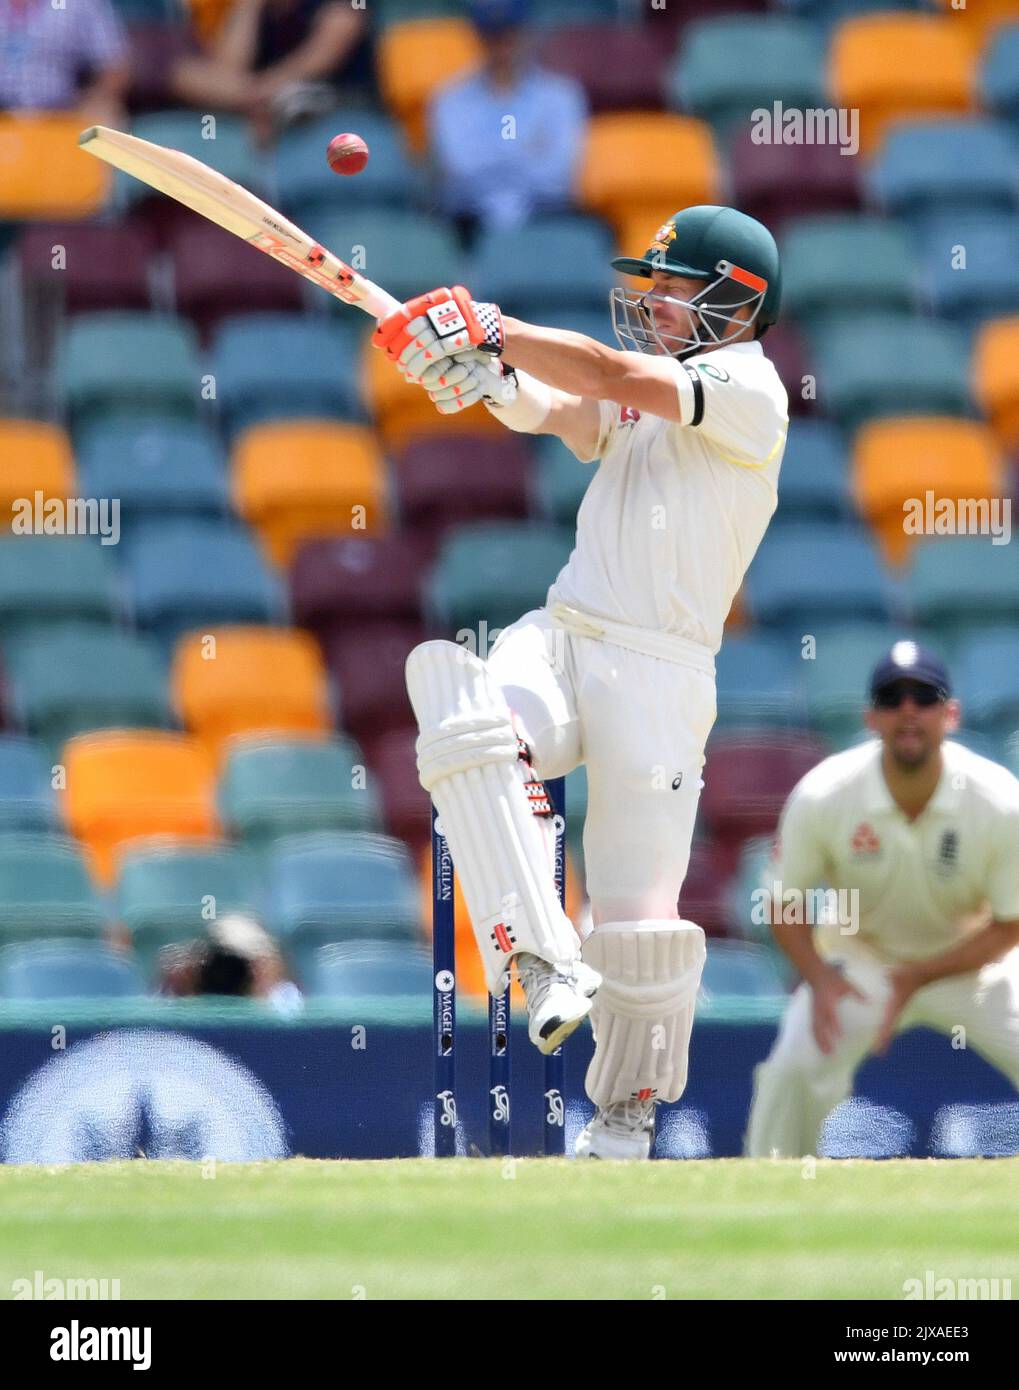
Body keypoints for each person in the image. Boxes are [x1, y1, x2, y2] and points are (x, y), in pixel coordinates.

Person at [372, 203, 788, 1158]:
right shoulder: (665, 382)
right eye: (657, 287)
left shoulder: (747, 388)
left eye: (677, 289)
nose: (657, 303)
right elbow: (572, 411)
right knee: (470, 720)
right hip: (566, 632)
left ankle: (625, 1125)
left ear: (738, 301)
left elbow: (608, 375)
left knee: (641, 924)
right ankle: (543, 961)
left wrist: (492, 329)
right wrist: (490, 379)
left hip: (663, 672)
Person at [745, 642, 1019, 1158]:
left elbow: (1011, 926)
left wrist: (917, 976)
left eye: (925, 696)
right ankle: (771, 1188)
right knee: (794, 1064)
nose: (908, 710)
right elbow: (784, 903)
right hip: (862, 963)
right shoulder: (824, 794)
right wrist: (820, 977)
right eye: (893, 697)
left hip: (978, 965)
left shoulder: (1000, 801)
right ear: (872, 716)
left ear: (951, 714)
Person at [429, 0, 587, 240]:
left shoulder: (561, 96)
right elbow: (460, 172)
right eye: (492, 34)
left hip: (546, 221)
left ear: (527, 32)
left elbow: (558, 176)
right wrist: (528, 149)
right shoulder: (449, 99)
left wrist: (489, 159)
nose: (502, 44)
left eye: (509, 33)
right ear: (478, 35)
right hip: (468, 227)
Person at [171, 0, 370, 143]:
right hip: (265, 118)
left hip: (341, 111)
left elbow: (323, 53)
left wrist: (255, 93)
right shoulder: (258, 11)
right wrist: (248, 6)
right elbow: (226, 74)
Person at [0, 0, 129, 128]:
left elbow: (115, 65)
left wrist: (95, 99)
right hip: (3, 107)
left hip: (64, 111)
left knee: (105, 115)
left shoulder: (81, 3)